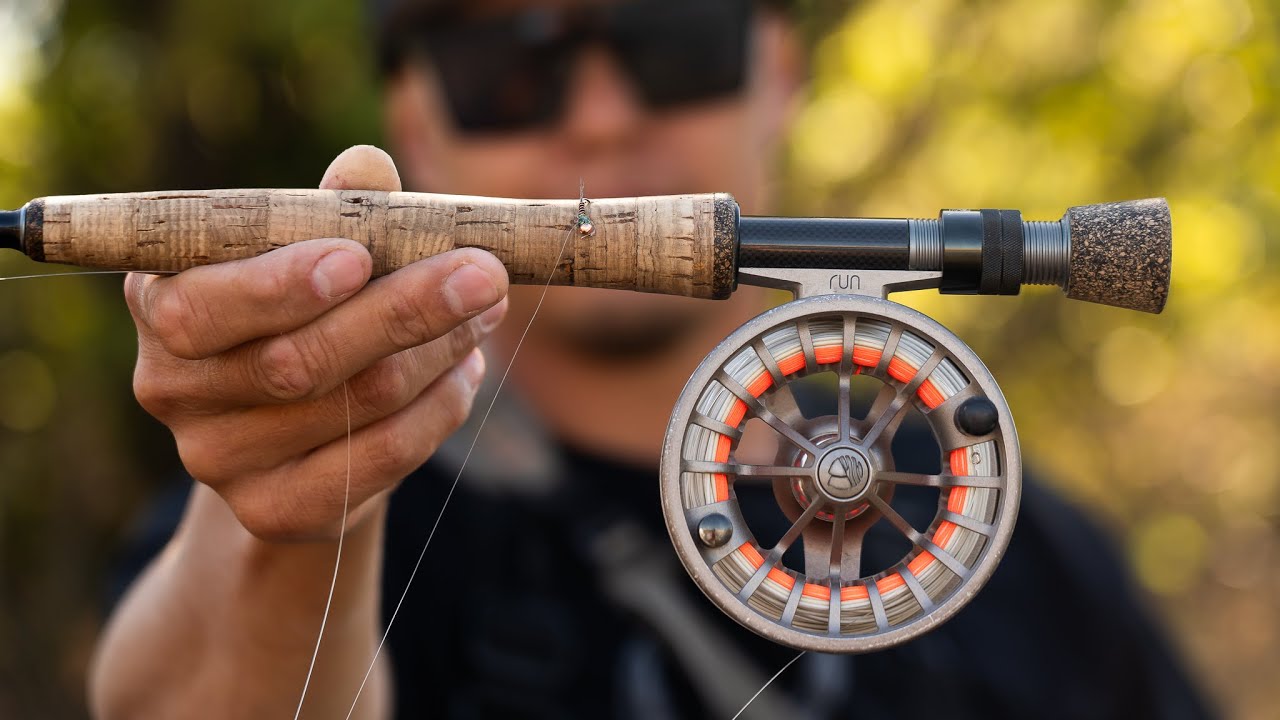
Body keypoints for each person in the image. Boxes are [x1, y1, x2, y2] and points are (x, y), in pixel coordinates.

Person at [89, 1, 1215, 718]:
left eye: (669, 37)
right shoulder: (338, 510)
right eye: (506, 66)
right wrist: (302, 512)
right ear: (416, 126)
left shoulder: (1045, 564)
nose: (599, 115)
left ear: (776, 71)